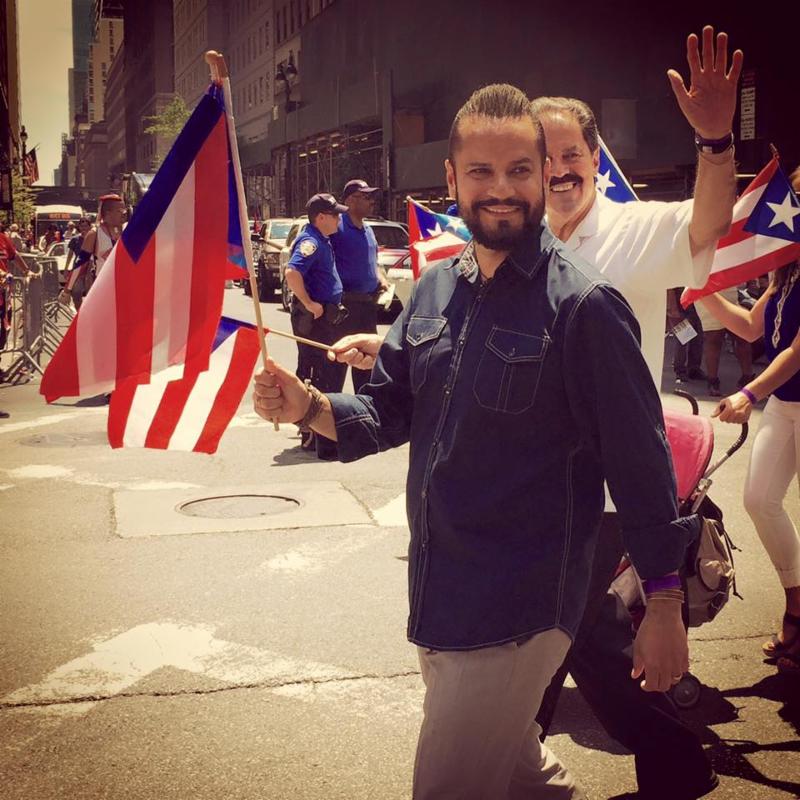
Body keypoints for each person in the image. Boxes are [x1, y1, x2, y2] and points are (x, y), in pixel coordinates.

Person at [254, 83, 700, 799]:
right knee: (525, 779)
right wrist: (306, 405)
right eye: (484, 173)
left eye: (521, 170)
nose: (503, 190)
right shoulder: (434, 291)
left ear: (543, 174)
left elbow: (641, 463)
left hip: (519, 608)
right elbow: (387, 411)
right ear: (453, 180)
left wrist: (666, 605)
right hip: (440, 594)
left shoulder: (584, 306)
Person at [526, 25, 741, 799]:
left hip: (614, 492)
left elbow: (707, 225)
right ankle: (673, 767)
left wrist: (715, 142)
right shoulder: (519, 248)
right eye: (542, 159)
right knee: (571, 641)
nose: (558, 172)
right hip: (536, 487)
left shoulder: (632, 231)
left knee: (556, 639)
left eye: (571, 156)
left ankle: (513, 759)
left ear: (594, 158)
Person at [702, 167, 800, 677]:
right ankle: (798, 604)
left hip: (784, 397)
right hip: (786, 404)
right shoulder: (786, 273)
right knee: (759, 499)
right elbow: (751, 326)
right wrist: (704, 293)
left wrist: (747, 391)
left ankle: (796, 621)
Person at [285, 192, 349, 460]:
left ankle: (320, 432)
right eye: (335, 215)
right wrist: (309, 303)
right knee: (316, 372)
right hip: (315, 320)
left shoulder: (322, 239)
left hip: (327, 317)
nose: (339, 219)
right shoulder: (310, 241)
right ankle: (315, 433)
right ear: (321, 217)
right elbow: (292, 272)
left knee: (328, 370)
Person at [330, 179, 389, 393]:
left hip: (367, 306)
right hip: (344, 306)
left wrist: (381, 278)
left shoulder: (368, 230)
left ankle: (364, 410)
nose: (371, 202)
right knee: (337, 362)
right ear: (350, 200)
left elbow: (375, 262)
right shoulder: (336, 226)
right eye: (366, 197)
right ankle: (327, 415)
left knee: (366, 363)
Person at [695, 285, 755, 396]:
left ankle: (747, 377)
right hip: (706, 288)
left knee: (741, 335)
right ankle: (712, 381)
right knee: (713, 338)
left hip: (727, 288)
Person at [668, 286, 706, 384]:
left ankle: (694, 369)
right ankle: (680, 371)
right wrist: (673, 308)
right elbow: (671, 287)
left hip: (695, 303)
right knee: (683, 338)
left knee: (698, 338)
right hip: (680, 303)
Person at [59, 218, 94, 309]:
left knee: (91, 293)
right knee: (76, 293)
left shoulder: (94, 238)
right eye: (82, 226)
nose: (84, 228)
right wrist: (66, 269)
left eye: (86, 226)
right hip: (78, 269)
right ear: (79, 227)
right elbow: (70, 255)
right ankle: (79, 312)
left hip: (91, 269)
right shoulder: (75, 239)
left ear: (90, 226)